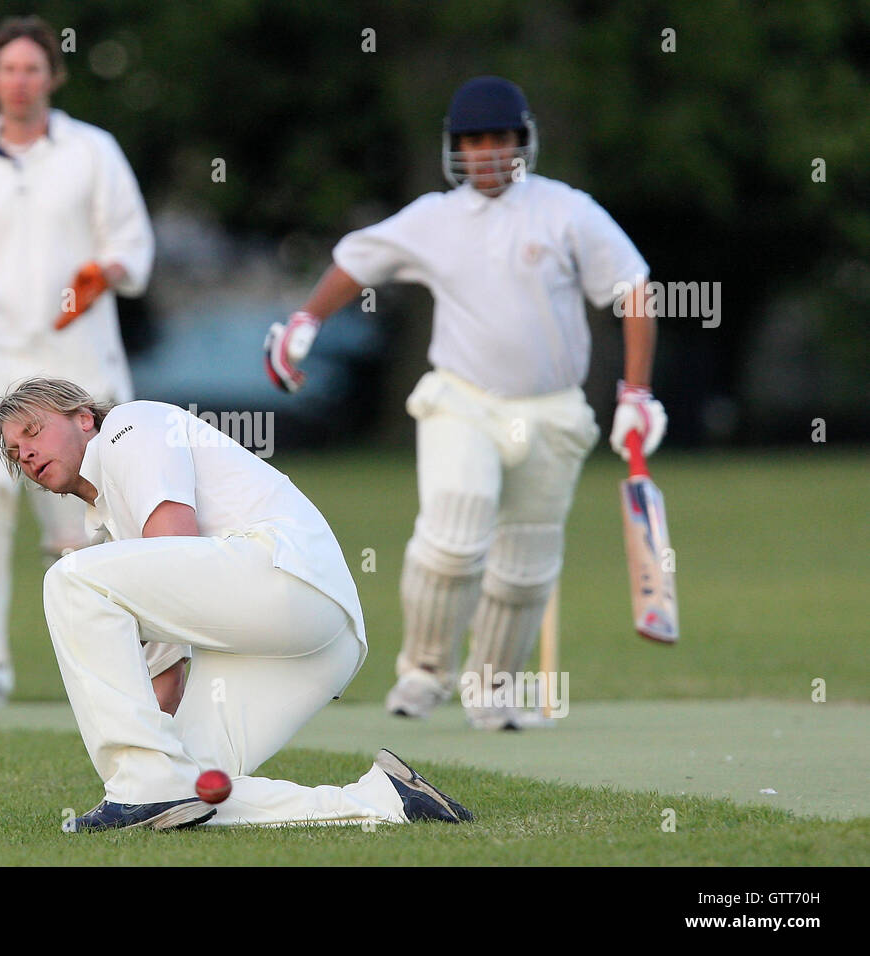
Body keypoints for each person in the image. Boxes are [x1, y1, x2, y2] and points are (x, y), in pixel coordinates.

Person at [264, 76, 666, 729]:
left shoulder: (567, 211)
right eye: (472, 140)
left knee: (528, 563)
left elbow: (634, 290)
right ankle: (424, 672)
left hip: (553, 411)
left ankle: (495, 691)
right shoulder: (435, 218)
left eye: (498, 138)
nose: (486, 151)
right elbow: (357, 261)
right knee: (455, 537)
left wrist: (638, 393)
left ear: (522, 141)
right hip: (463, 400)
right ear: (456, 147)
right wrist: (303, 323)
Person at [0, 378, 474, 831]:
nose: (26, 453)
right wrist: (161, 739)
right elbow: (167, 610)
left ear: (84, 418)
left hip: (284, 580)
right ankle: (388, 802)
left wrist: (142, 756)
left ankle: (142, 785)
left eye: (33, 431)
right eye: (15, 453)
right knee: (190, 794)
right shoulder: (110, 517)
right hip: (322, 639)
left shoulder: (129, 427)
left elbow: (170, 548)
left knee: (70, 580)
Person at [0, 16, 186, 709]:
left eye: (33, 69)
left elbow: (132, 245)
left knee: (88, 518)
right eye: (8, 70)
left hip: (76, 362)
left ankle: (121, 668)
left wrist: (101, 272)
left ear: (51, 78)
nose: (20, 82)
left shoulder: (93, 151)